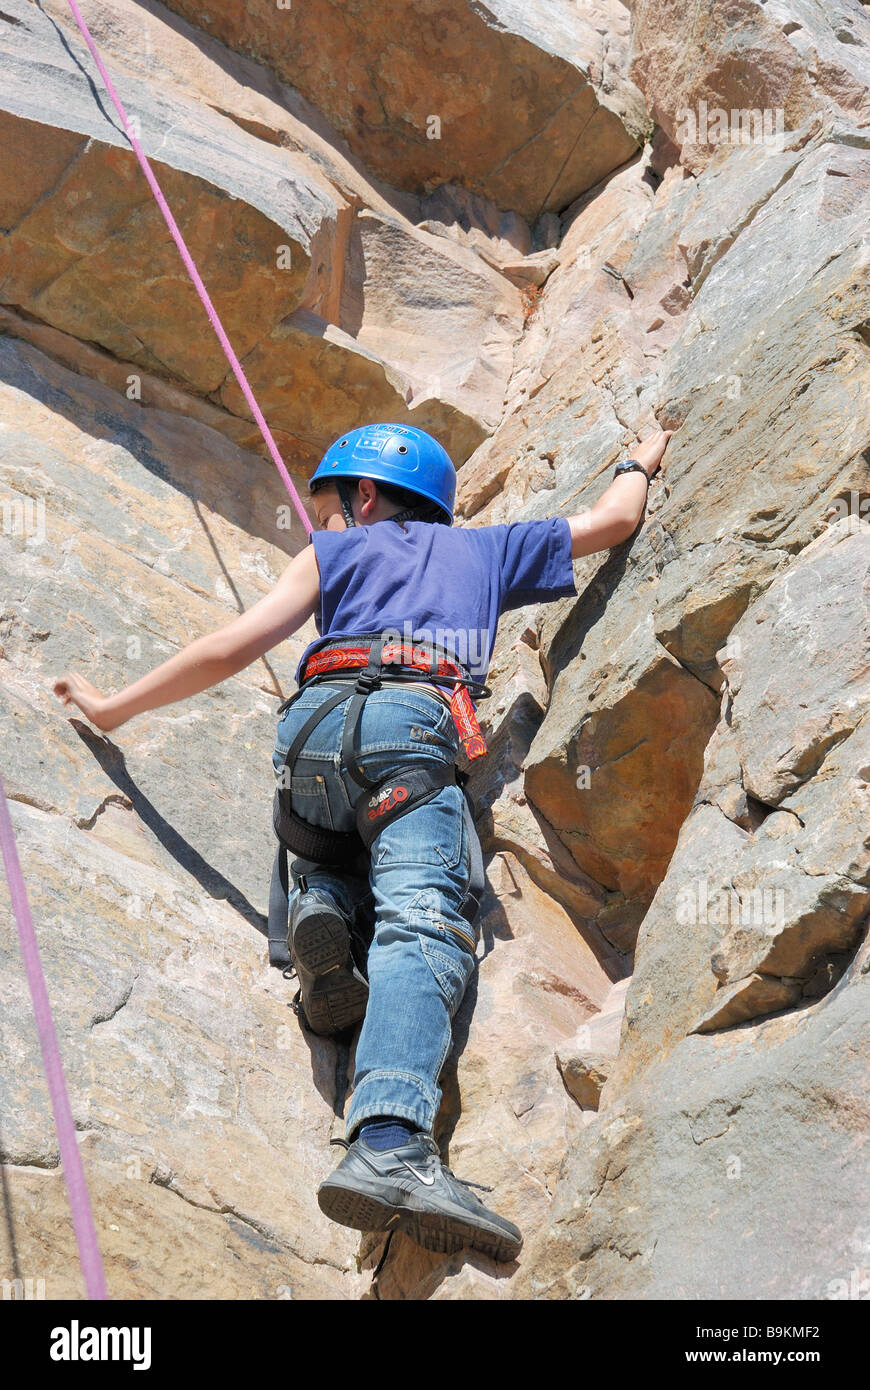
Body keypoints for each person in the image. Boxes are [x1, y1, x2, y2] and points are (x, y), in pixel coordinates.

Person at [53, 420, 673, 1264]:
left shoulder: (331, 553)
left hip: (311, 731)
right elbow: (614, 521)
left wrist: (114, 706)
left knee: (330, 823)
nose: (331, 521)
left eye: (335, 508)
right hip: (411, 727)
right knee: (422, 921)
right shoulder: (487, 548)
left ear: (367, 496)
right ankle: (389, 1141)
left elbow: (230, 646)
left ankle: (326, 907)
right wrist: (640, 456)